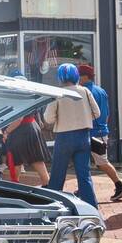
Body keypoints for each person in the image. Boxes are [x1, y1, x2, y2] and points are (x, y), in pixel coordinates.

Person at [43, 63, 101, 207]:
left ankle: (53, 206)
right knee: (84, 176)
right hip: (83, 136)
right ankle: (92, 208)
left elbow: (48, 118)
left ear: (60, 77)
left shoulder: (57, 93)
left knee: (57, 175)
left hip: (63, 137)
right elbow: (97, 113)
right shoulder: (85, 91)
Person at [78, 63, 122, 203]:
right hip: (102, 131)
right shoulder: (101, 91)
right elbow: (106, 113)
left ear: (84, 76)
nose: (77, 78)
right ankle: (116, 185)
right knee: (100, 162)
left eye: (78, 75)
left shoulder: (83, 91)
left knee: (88, 162)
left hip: (89, 131)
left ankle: (119, 185)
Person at [1, 71, 50, 185]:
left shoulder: (19, 95)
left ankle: (15, 187)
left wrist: (7, 132)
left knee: (17, 162)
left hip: (22, 130)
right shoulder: (30, 93)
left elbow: (19, 119)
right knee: (37, 161)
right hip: (32, 127)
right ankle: (48, 185)